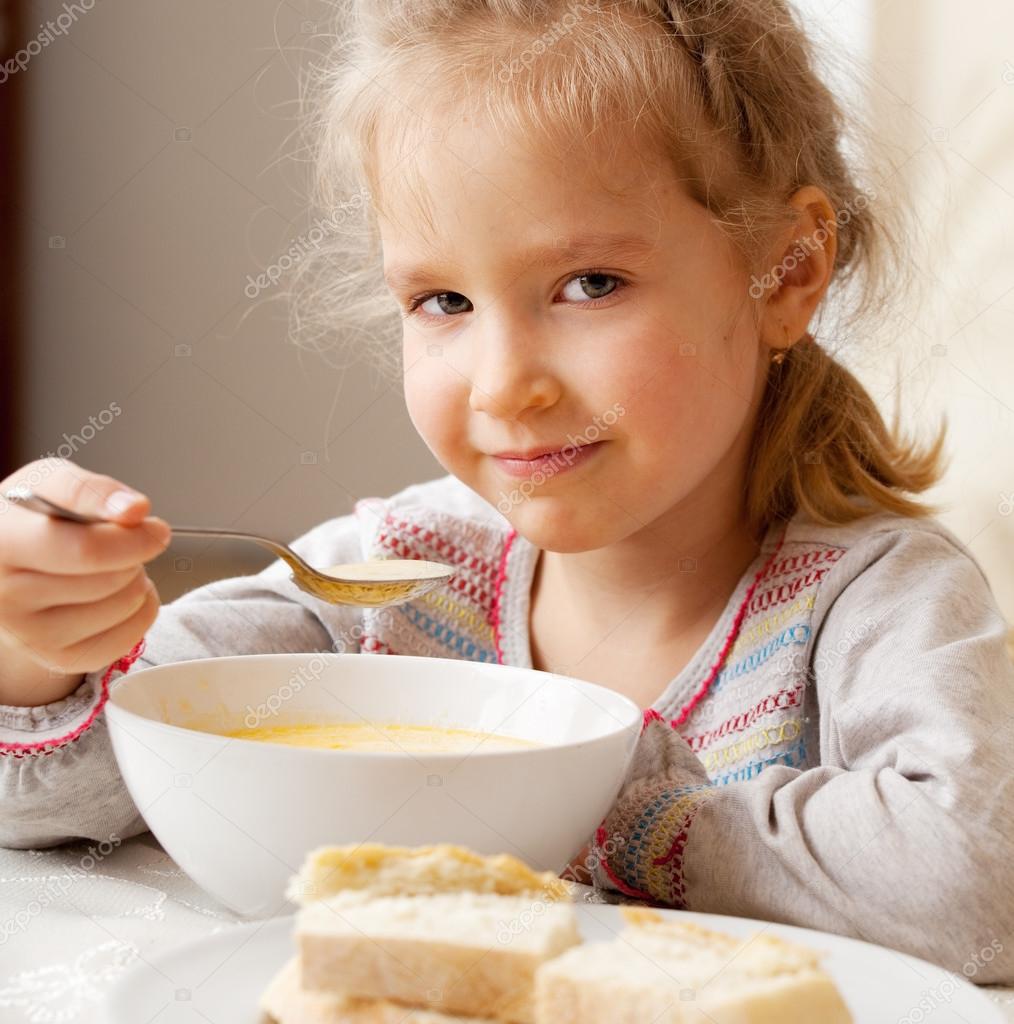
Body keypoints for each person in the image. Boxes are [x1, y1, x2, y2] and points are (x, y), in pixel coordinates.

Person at [2, 0, 1013, 983]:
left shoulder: (878, 598)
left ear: (788, 271)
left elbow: (979, 882)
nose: (501, 385)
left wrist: (577, 797)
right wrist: (31, 655)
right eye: (443, 301)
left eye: (590, 285)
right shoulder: (385, 587)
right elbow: (68, 781)